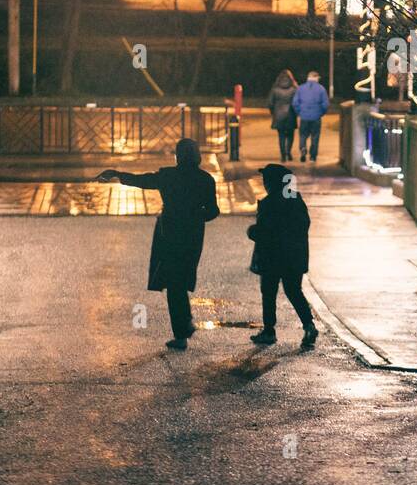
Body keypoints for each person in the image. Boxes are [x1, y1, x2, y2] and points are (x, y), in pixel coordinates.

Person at [97, 138, 220, 350]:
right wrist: (195, 216)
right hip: (192, 235)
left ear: (178, 156)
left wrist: (117, 174)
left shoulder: (168, 176)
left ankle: (181, 332)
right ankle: (185, 323)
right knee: (180, 279)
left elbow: (142, 181)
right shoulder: (206, 179)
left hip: (170, 233)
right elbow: (212, 211)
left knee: (173, 283)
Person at [247, 163, 317, 348]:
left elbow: (263, 232)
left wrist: (252, 231)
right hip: (294, 257)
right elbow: (303, 226)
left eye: (266, 180)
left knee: (269, 292)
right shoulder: (296, 200)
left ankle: (269, 331)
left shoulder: (269, 204)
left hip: (272, 258)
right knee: (294, 291)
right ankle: (309, 325)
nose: (264, 183)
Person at [291, 70, 330, 163]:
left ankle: (303, 149)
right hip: (316, 117)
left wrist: (299, 112)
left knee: (303, 135)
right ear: (316, 78)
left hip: (304, 117)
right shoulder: (321, 89)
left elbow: (295, 103)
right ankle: (313, 157)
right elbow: (325, 104)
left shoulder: (300, 88)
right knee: (315, 137)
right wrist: (321, 113)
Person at [267, 69, 298, 162]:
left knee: (281, 136)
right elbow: (297, 103)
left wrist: (273, 112)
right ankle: (288, 151)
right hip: (291, 114)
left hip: (278, 115)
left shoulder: (275, 89)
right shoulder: (294, 89)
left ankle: (283, 155)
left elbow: (270, 103)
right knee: (290, 135)